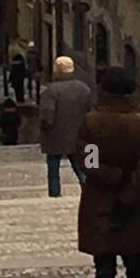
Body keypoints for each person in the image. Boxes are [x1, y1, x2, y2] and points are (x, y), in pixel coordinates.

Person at [77, 66, 140, 278]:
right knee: (134, 262)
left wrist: (110, 176)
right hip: (134, 201)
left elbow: (89, 161)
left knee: (104, 264)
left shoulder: (91, 123)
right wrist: (130, 187)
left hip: (99, 199)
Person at [38, 55, 91, 197]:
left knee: (53, 169)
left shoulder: (51, 91)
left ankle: (55, 194)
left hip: (55, 135)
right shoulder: (84, 89)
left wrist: (44, 129)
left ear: (57, 71)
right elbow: (91, 111)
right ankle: (89, 189)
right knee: (81, 167)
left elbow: (47, 115)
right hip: (79, 135)